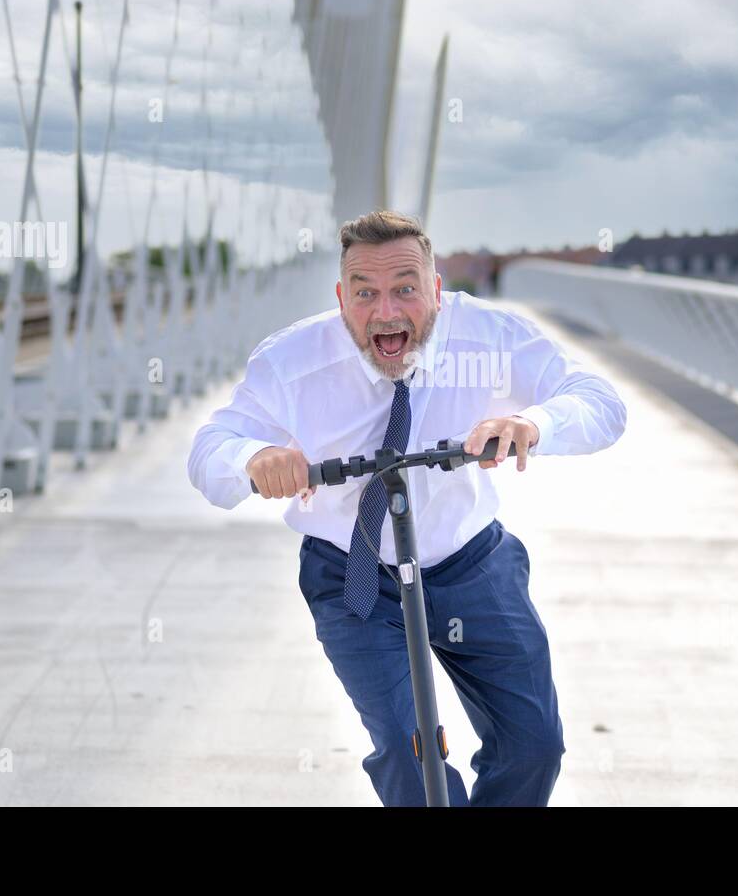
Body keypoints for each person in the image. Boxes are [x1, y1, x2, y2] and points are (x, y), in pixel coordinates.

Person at [187, 209, 627, 806]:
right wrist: (253, 458)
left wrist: (532, 422)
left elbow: (600, 403)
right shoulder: (291, 360)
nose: (386, 313)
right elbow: (210, 450)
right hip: (354, 572)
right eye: (365, 294)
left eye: (405, 290)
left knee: (534, 747)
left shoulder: (487, 335)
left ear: (437, 290)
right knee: (406, 749)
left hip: (470, 562)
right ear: (342, 298)